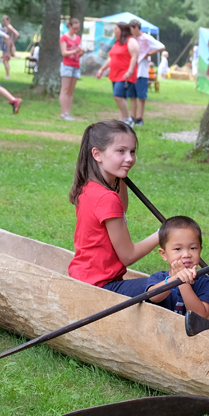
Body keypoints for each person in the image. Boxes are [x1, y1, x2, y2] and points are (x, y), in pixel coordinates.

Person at [68, 120, 161, 297]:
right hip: (101, 286)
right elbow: (128, 255)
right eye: (121, 151)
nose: (129, 158)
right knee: (168, 283)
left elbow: (121, 209)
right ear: (97, 154)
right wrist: (162, 233)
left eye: (132, 151)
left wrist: (119, 176)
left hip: (85, 277)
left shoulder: (88, 187)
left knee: (167, 283)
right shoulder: (106, 198)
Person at [143, 216, 209, 318]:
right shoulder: (158, 278)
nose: (186, 254)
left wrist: (183, 284)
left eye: (193, 248)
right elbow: (152, 297)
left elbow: (201, 315)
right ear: (164, 254)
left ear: (200, 250)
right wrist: (175, 279)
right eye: (178, 249)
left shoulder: (204, 282)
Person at [95, 23, 138, 125]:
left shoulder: (131, 41)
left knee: (117, 96)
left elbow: (134, 57)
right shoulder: (117, 42)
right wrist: (102, 69)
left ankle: (128, 119)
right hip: (115, 74)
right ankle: (122, 122)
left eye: (116, 29)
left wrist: (130, 71)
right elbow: (111, 58)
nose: (114, 31)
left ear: (122, 30)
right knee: (121, 98)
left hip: (125, 74)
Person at [127, 19, 166, 126]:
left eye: (131, 29)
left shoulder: (146, 37)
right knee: (132, 95)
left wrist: (148, 54)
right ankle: (133, 116)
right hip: (133, 71)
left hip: (142, 71)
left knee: (141, 96)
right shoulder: (132, 39)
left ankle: (140, 117)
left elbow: (161, 46)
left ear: (136, 28)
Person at [59, 17, 84, 121]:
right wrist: (74, 51)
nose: (76, 31)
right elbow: (64, 53)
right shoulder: (64, 38)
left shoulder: (78, 38)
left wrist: (81, 52)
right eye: (74, 28)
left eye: (77, 29)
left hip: (76, 65)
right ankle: (63, 112)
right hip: (67, 65)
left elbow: (80, 53)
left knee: (71, 91)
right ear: (69, 26)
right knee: (65, 89)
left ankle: (68, 112)